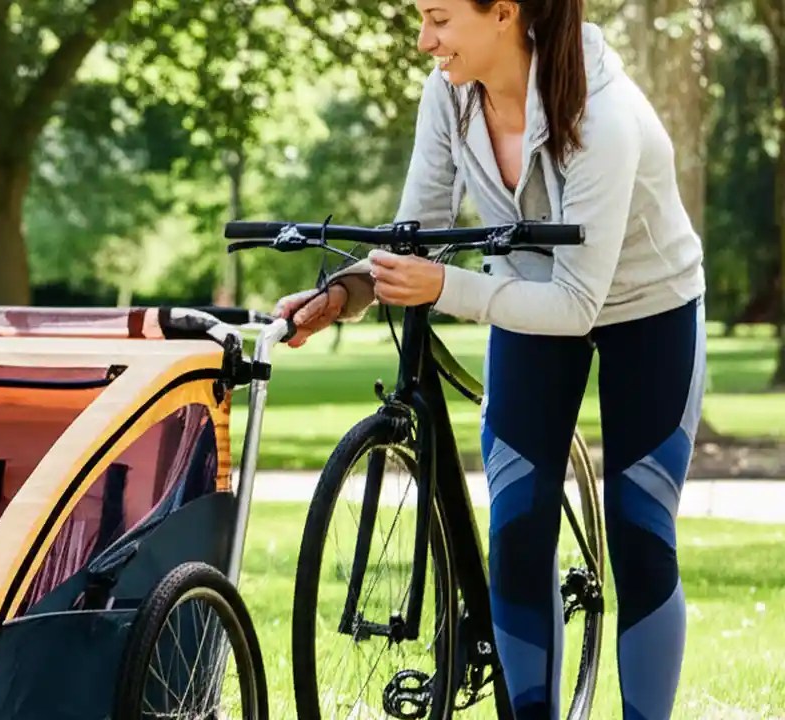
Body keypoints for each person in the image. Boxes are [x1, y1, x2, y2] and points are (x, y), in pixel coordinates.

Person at [276, 2, 706, 718]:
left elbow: (576, 305)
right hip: (531, 296)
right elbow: (424, 232)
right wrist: (344, 294)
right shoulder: (449, 94)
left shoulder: (604, 114)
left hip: (647, 310)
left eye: (438, 19)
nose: (423, 41)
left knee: (641, 538)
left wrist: (446, 286)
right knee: (514, 534)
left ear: (504, 12)